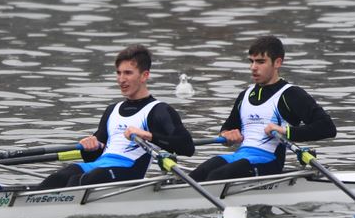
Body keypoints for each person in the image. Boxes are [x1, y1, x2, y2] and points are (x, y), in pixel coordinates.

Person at [37, 44, 195, 189]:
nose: (121, 79)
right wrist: (89, 146)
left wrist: (148, 136)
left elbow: (187, 147)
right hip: (100, 165)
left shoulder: (159, 110)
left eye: (128, 73)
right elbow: (93, 156)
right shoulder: (112, 110)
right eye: (119, 73)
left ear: (144, 75)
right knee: (59, 177)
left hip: (128, 170)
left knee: (82, 180)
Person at [189, 35, 336, 182]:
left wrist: (286, 131)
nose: (253, 67)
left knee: (218, 176)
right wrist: (226, 134)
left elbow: (327, 127)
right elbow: (229, 126)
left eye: (260, 62)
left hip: (269, 161)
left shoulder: (291, 94)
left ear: (277, 62)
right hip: (240, 156)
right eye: (251, 61)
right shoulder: (245, 95)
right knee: (197, 175)